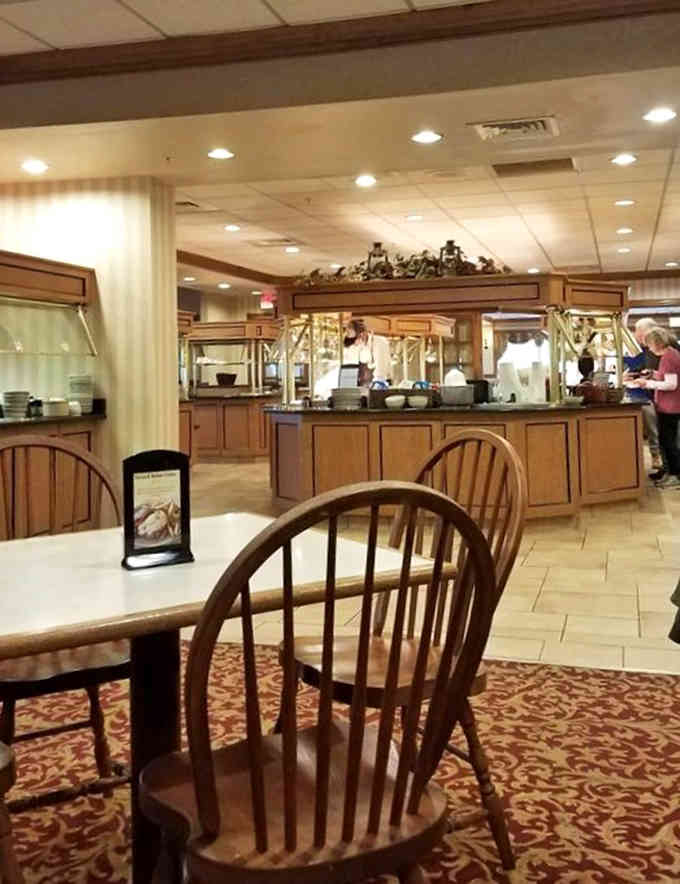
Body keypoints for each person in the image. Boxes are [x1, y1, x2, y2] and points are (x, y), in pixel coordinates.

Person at [632, 326, 680, 489]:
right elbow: (666, 376)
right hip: (667, 406)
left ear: (657, 343)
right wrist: (653, 373)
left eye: (650, 345)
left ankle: (675, 476)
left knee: (669, 442)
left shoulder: (669, 357)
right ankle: (669, 472)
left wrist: (648, 383)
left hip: (672, 406)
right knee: (665, 441)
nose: (649, 349)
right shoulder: (669, 354)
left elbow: (671, 384)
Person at [623, 317, 664, 477]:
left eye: (639, 334)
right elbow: (631, 368)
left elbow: (664, 374)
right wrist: (627, 375)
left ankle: (658, 457)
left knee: (654, 422)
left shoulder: (660, 350)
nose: (637, 336)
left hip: (657, 395)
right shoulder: (637, 350)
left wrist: (649, 376)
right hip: (640, 393)